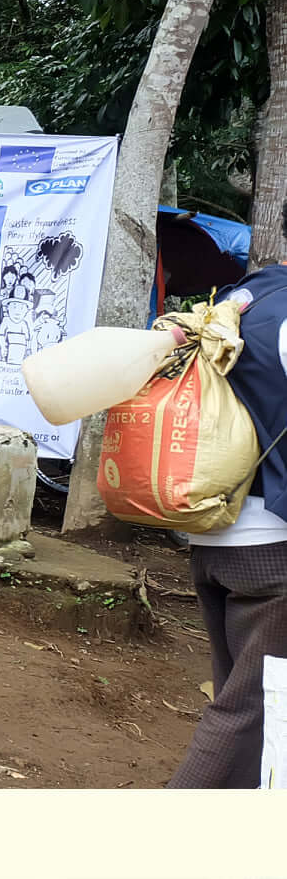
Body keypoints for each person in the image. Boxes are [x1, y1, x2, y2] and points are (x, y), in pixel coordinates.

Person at [169, 244, 287, 788]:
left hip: (218, 532)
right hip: (273, 552)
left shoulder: (243, 299)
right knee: (250, 712)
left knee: (244, 702)